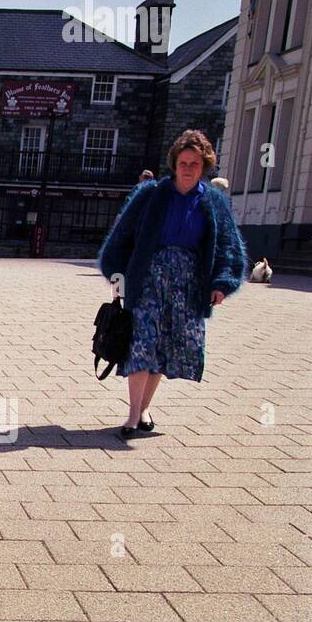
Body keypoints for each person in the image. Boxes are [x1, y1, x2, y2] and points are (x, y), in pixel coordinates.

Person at [98, 130, 247, 439]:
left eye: (195, 163)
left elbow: (228, 247)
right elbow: (122, 235)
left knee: (164, 348)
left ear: (204, 166)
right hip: (149, 279)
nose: (188, 168)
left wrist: (221, 282)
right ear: (174, 164)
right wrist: (117, 275)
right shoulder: (151, 194)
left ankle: (144, 410)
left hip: (188, 286)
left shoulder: (213, 202)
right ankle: (131, 415)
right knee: (142, 342)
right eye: (183, 162)